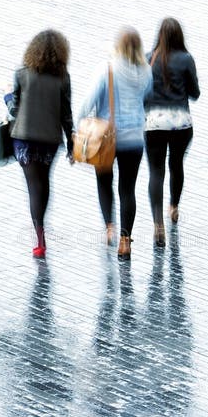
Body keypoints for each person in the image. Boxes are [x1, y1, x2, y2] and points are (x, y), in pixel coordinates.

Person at [77, 28, 152, 261]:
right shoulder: (146, 72)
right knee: (128, 190)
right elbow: (146, 98)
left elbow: (88, 101)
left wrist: (77, 128)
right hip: (135, 139)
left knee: (104, 182)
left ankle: (109, 226)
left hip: (106, 138)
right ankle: (125, 241)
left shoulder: (106, 68)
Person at [4, 30, 73, 259]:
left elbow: (14, 109)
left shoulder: (22, 74)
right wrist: (72, 145)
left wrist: (6, 97)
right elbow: (66, 115)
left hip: (25, 139)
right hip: (50, 140)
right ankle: (41, 231)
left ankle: (39, 239)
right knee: (43, 183)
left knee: (33, 186)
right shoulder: (63, 77)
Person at [144, 18, 200, 247]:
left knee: (156, 172)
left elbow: (143, 94)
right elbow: (195, 94)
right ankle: (174, 207)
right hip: (181, 125)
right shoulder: (186, 59)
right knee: (176, 165)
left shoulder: (148, 58)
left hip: (154, 124)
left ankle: (158, 224)